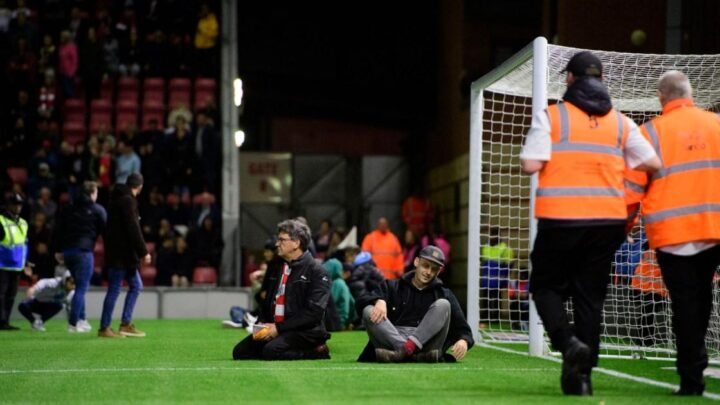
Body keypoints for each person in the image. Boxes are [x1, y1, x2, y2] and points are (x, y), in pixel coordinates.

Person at [519, 51, 661, 395]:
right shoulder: (622, 122)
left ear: (569, 79)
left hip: (561, 218)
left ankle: (568, 344)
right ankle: (582, 379)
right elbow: (652, 163)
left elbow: (530, 165)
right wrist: (624, 193)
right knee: (589, 299)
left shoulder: (553, 117)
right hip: (608, 222)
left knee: (545, 286)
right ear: (602, 82)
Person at [635, 70, 720, 396]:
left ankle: (691, 378)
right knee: (702, 296)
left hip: (673, 233)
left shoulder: (650, 133)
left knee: (685, 302)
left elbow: (632, 187)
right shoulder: (716, 124)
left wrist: (625, 225)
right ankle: (695, 365)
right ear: (691, 93)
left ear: (661, 97)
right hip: (714, 228)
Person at [232, 219, 332, 360]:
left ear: (296, 243)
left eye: (282, 240)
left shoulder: (318, 272)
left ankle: (317, 352)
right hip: (276, 328)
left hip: (305, 332)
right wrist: (261, 321)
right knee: (240, 352)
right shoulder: (277, 267)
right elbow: (267, 300)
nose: (277, 244)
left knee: (271, 351)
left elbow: (313, 314)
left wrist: (278, 328)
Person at [356, 245, 474, 363]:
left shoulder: (444, 294)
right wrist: (379, 300)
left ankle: (403, 352)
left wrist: (463, 341)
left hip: (427, 346)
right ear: (416, 262)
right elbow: (360, 301)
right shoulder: (392, 286)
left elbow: (464, 330)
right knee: (368, 310)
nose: (428, 272)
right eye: (425, 265)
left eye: (434, 269)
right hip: (392, 342)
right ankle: (407, 351)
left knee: (443, 304)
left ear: (438, 272)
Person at [98, 173, 151, 338]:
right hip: (122, 256)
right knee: (115, 289)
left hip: (122, 255)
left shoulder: (116, 200)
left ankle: (125, 324)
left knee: (136, 285)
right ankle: (105, 327)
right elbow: (133, 228)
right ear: (140, 187)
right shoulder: (128, 201)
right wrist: (144, 252)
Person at [54, 181, 106, 333]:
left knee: (78, 287)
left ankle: (82, 320)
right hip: (83, 252)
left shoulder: (69, 207)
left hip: (68, 252)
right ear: (92, 193)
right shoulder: (97, 210)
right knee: (81, 289)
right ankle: (73, 323)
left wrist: (58, 250)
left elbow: (59, 229)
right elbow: (106, 232)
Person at [0, 193, 31, 330]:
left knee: (11, 296)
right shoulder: (1, 220)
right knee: (1, 294)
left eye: (20, 204)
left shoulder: (23, 223)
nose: (18, 207)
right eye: (15, 204)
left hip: (17, 265)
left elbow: (23, 244)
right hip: (2, 264)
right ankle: (1, 321)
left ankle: (5, 321)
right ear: (8, 205)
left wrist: (26, 262)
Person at [480, 228, 514, 325]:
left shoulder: (505, 248)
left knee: (495, 298)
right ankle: (486, 317)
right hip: (487, 278)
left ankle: (495, 318)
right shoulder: (486, 247)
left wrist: (505, 275)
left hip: (497, 279)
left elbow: (510, 263)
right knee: (486, 298)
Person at [323, 258, 355, 330]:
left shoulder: (337, 283)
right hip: (342, 321)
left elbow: (329, 302)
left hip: (336, 322)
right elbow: (352, 302)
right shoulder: (341, 282)